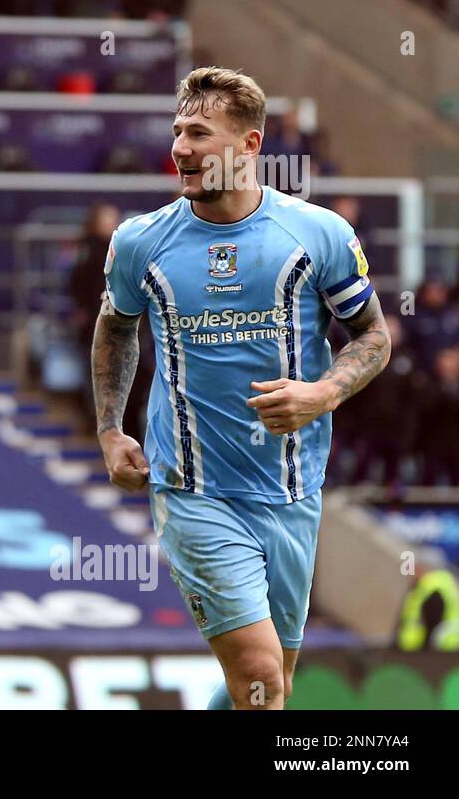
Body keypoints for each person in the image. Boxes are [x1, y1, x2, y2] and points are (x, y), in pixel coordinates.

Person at [92, 67, 391, 710]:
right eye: (177, 132)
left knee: (268, 685)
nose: (180, 147)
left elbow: (373, 337)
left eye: (199, 132)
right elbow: (115, 330)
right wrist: (111, 429)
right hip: (195, 490)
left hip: (291, 490)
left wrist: (323, 394)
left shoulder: (319, 233)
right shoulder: (142, 242)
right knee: (257, 672)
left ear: (250, 145)